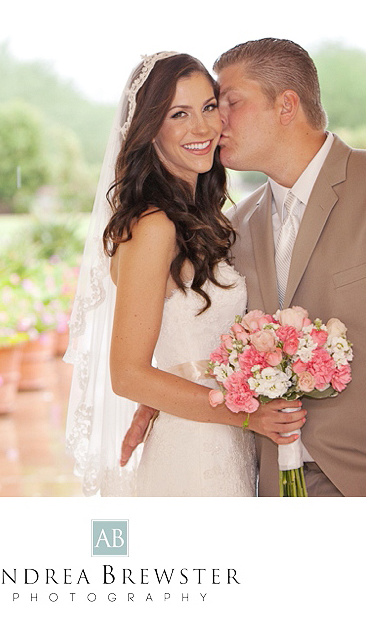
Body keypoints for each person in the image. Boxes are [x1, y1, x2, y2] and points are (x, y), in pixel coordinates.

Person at [121, 38, 366, 497]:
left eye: (228, 103)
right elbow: (213, 333)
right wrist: (165, 397)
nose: (217, 121)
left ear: (286, 106)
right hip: (272, 484)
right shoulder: (235, 227)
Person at [63, 51, 306, 496]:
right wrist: (247, 416)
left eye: (209, 107)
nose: (202, 128)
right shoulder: (153, 226)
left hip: (222, 434)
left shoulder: (203, 217)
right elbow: (129, 374)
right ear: (151, 129)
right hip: (195, 447)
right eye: (179, 114)